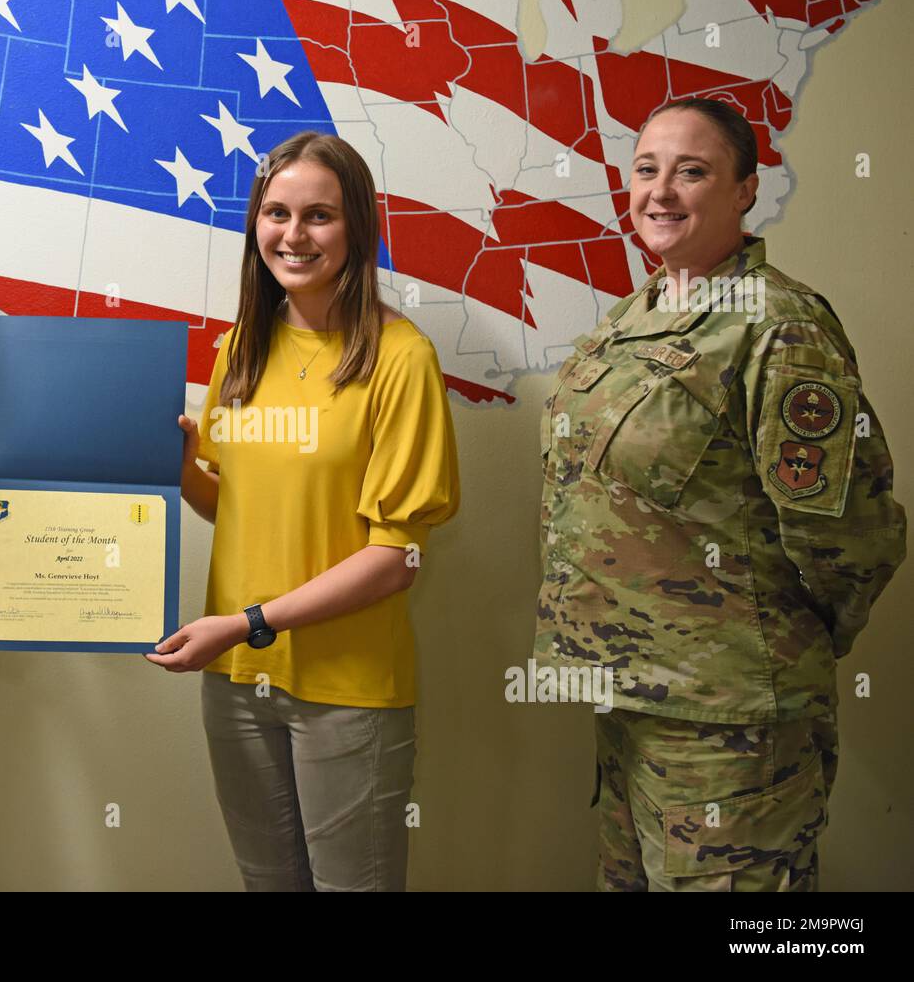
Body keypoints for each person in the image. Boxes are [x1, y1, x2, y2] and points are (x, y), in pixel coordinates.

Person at [534, 97, 906, 891]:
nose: (661, 190)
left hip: (729, 720)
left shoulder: (779, 327)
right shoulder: (631, 318)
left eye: (692, 171)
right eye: (647, 169)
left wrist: (785, 646)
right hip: (628, 695)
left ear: (744, 190)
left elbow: (849, 532)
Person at [147, 131, 460, 891]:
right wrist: (182, 473)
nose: (294, 235)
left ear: (356, 227)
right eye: (276, 213)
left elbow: (394, 560)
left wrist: (248, 621)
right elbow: (239, 506)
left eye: (319, 215)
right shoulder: (240, 348)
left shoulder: (401, 357)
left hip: (346, 689)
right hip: (237, 679)